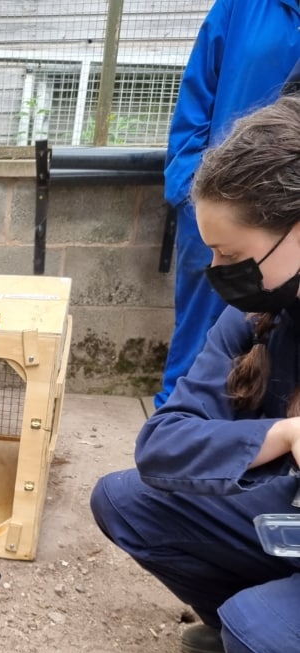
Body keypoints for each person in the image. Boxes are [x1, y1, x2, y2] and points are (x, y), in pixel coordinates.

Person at [91, 94, 300, 653]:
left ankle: (268, 629)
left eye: (232, 255)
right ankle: (254, 610)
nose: (216, 273)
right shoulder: (254, 314)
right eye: (211, 252)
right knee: (122, 497)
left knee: (258, 636)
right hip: (285, 517)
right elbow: (163, 444)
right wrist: (282, 433)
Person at [155, 0, 300, 410]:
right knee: (199, 332)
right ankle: (176, 416)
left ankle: (251, 433)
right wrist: (192, 190)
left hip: (286, 215)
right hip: (221, 208)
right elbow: (197, 93)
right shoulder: (242, 6)